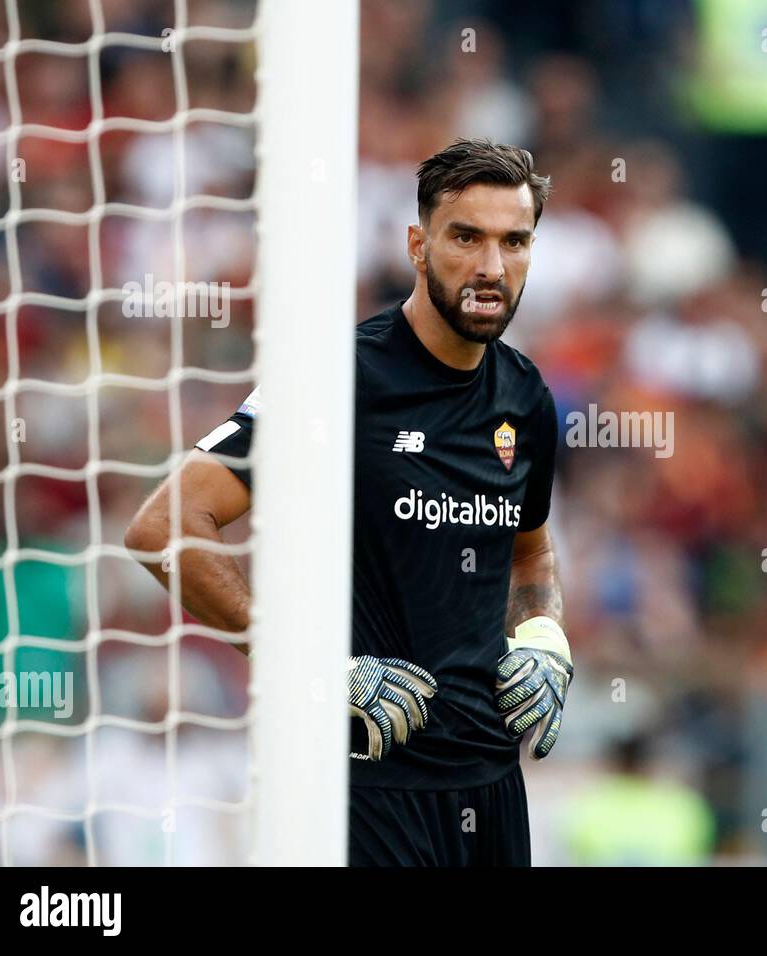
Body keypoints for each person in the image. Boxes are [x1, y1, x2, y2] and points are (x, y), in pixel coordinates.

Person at [124, 139, 570, 866]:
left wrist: (546, 635)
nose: (492, 268)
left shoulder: (526, 396)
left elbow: (531, 551)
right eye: (467, 237)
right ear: (418, 246)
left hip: (492, 786)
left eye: (514, 242)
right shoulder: (338, 377)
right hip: (363, 789)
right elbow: (164, 527)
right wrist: (312, 664)